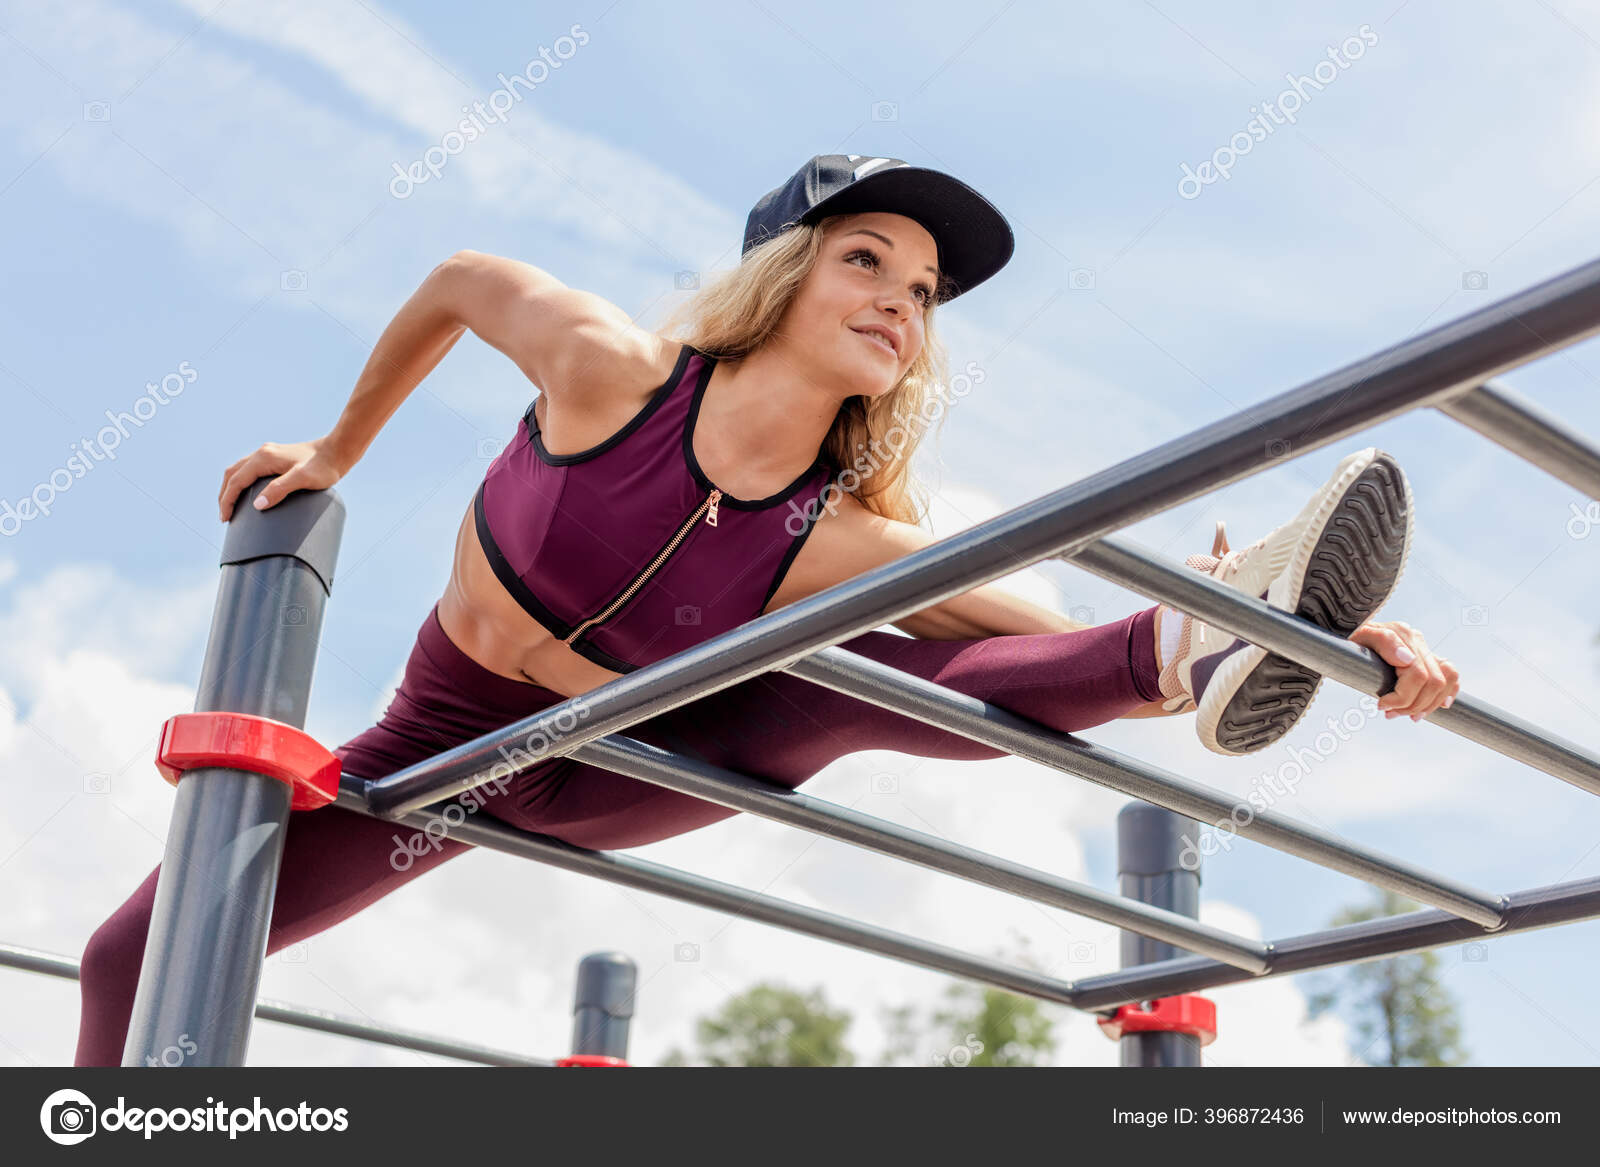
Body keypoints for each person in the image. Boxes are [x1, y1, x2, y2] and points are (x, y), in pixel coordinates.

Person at [74, 154, 1458, 1066]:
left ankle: (1203, 647)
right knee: (127, 959)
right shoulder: (608, 377)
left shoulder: (844, 537)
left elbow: (1028, 621)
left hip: (634, 766)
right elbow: (456, 283)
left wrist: (1296, 635)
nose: (903, 303)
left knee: (857, 680)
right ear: (785, 272)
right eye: (869, 260)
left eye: (922, 292)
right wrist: (335, 450)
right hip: (446, 751)